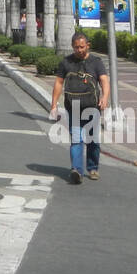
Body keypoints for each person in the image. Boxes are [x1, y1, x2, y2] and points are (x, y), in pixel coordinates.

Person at [49, 32, 110, 185]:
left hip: (92, 107)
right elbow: (58, 83)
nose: (79, 50)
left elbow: (104, 80)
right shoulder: (66, 62)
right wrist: (54, 105)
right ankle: (76, 170)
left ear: (87, 45)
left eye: (82, 47)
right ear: (72, 46)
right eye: (76, 47)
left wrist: (105, 97)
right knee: (76, 139)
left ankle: (93, 167)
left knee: (93, 140)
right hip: (73, 107)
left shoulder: (96, 62)